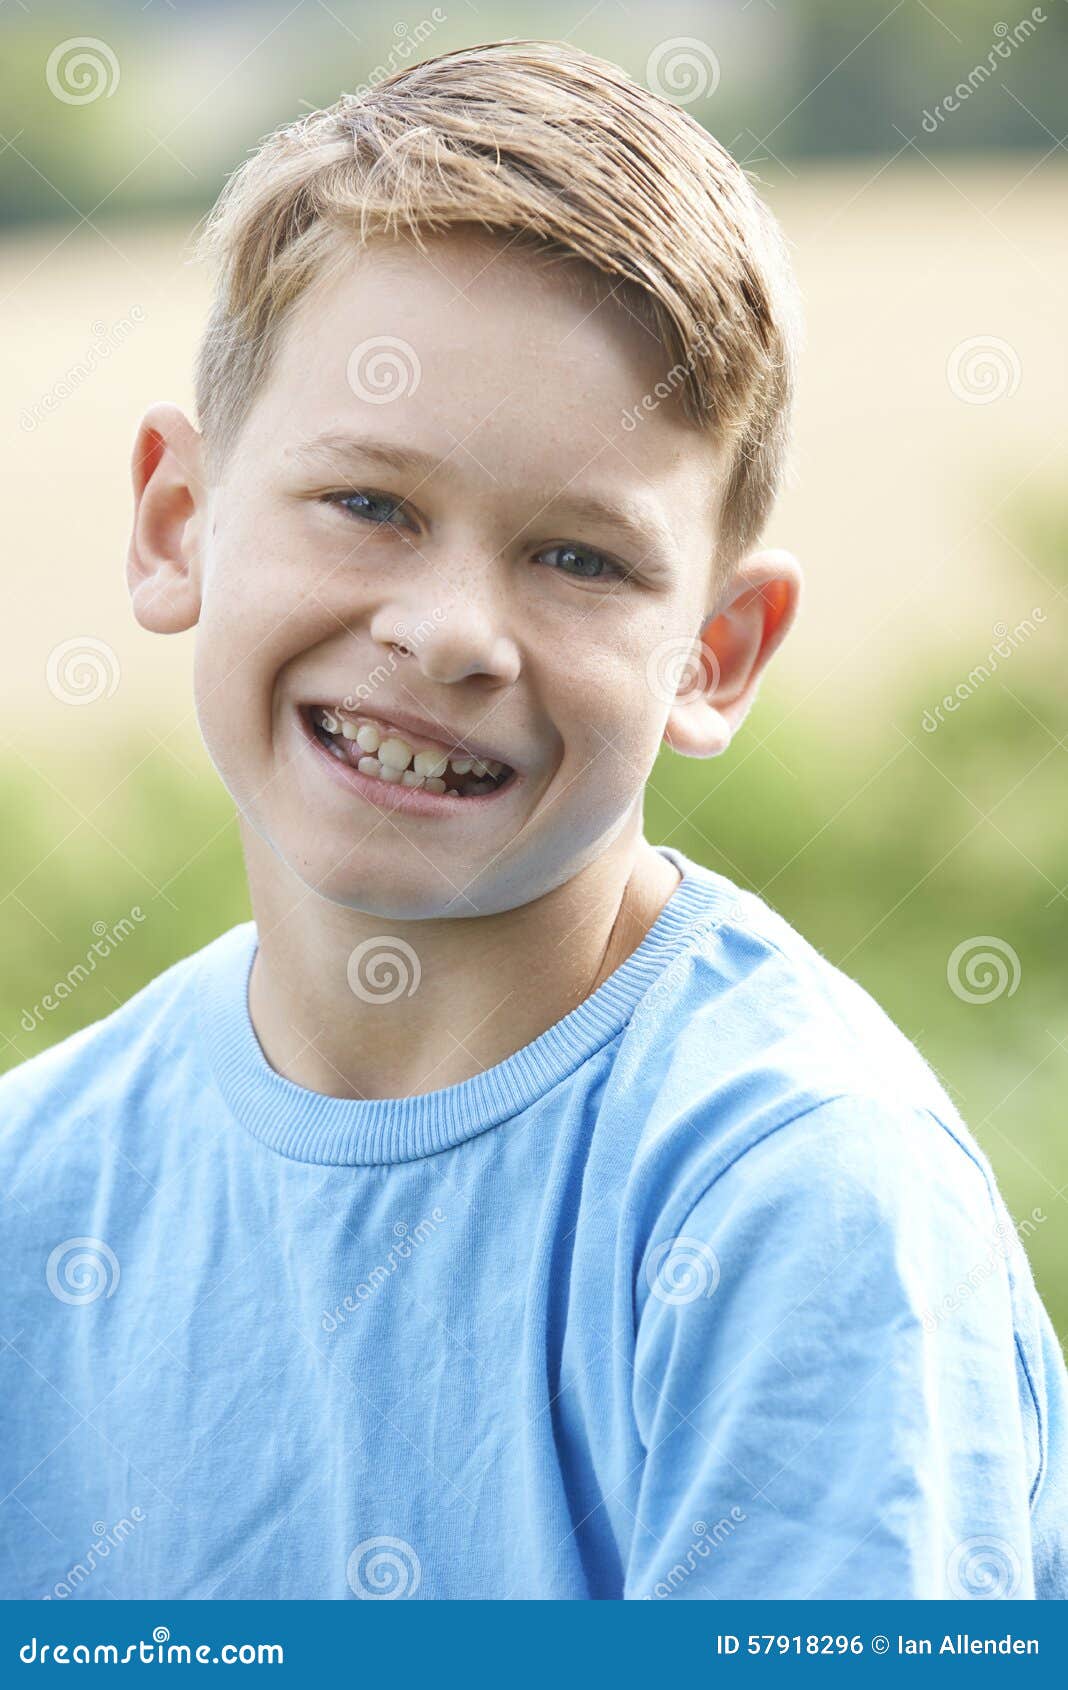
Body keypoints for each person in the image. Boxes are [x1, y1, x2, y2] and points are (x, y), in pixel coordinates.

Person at [2, 39, 1065, 1602]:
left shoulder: (797, 1199)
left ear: (717, 653)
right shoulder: (34, 1189)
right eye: (370, 503)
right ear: (178, 522)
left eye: (579, 558)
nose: (450, 634)